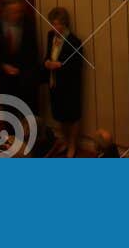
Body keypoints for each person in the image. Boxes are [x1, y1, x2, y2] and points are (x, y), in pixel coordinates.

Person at [0, 0, 40, 112]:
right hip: (5, 81)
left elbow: (33, 52)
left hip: (26, 80)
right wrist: (3, 65)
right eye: (14, 12)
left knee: (29, 113)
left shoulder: (28, 24)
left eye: (19, 11)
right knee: (9, 114)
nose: (18, 15)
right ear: (5, 12)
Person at [42, 9, 83, 156]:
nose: (54, 27)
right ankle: (65, 141)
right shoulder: (50, 36)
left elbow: (77, 64)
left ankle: (72, 145)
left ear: (65, 24)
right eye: (52, 23)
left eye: (57, 24)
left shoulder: (74, 41)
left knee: (72, 117)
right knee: (59, 115)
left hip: (69, 86)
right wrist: (46, 62)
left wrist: (60, 65)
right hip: (55, 84)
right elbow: (48, 54)